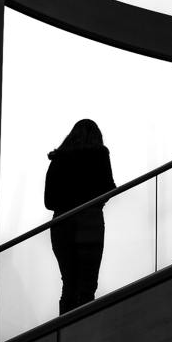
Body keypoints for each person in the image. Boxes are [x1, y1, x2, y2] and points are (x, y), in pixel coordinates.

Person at [44, 117, 115, 312]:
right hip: (89, 222)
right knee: (87, 287)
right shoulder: (99, 155)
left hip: (61, 225)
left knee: (69, 284)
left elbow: (49, 202)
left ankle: (64, 335)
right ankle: (83, 334)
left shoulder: (58, 160)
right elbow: (109, 189)